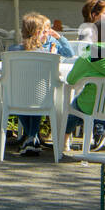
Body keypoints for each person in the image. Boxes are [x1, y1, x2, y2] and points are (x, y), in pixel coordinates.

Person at [9, 13, 72, 156]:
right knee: (38, 96)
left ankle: (31, 138)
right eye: (45, 31)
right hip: (42, 98)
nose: (47, 34)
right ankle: (32, 137)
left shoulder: (13, 51)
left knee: (25, 97)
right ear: (38, 33)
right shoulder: (46, 54)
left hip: (16, 97)